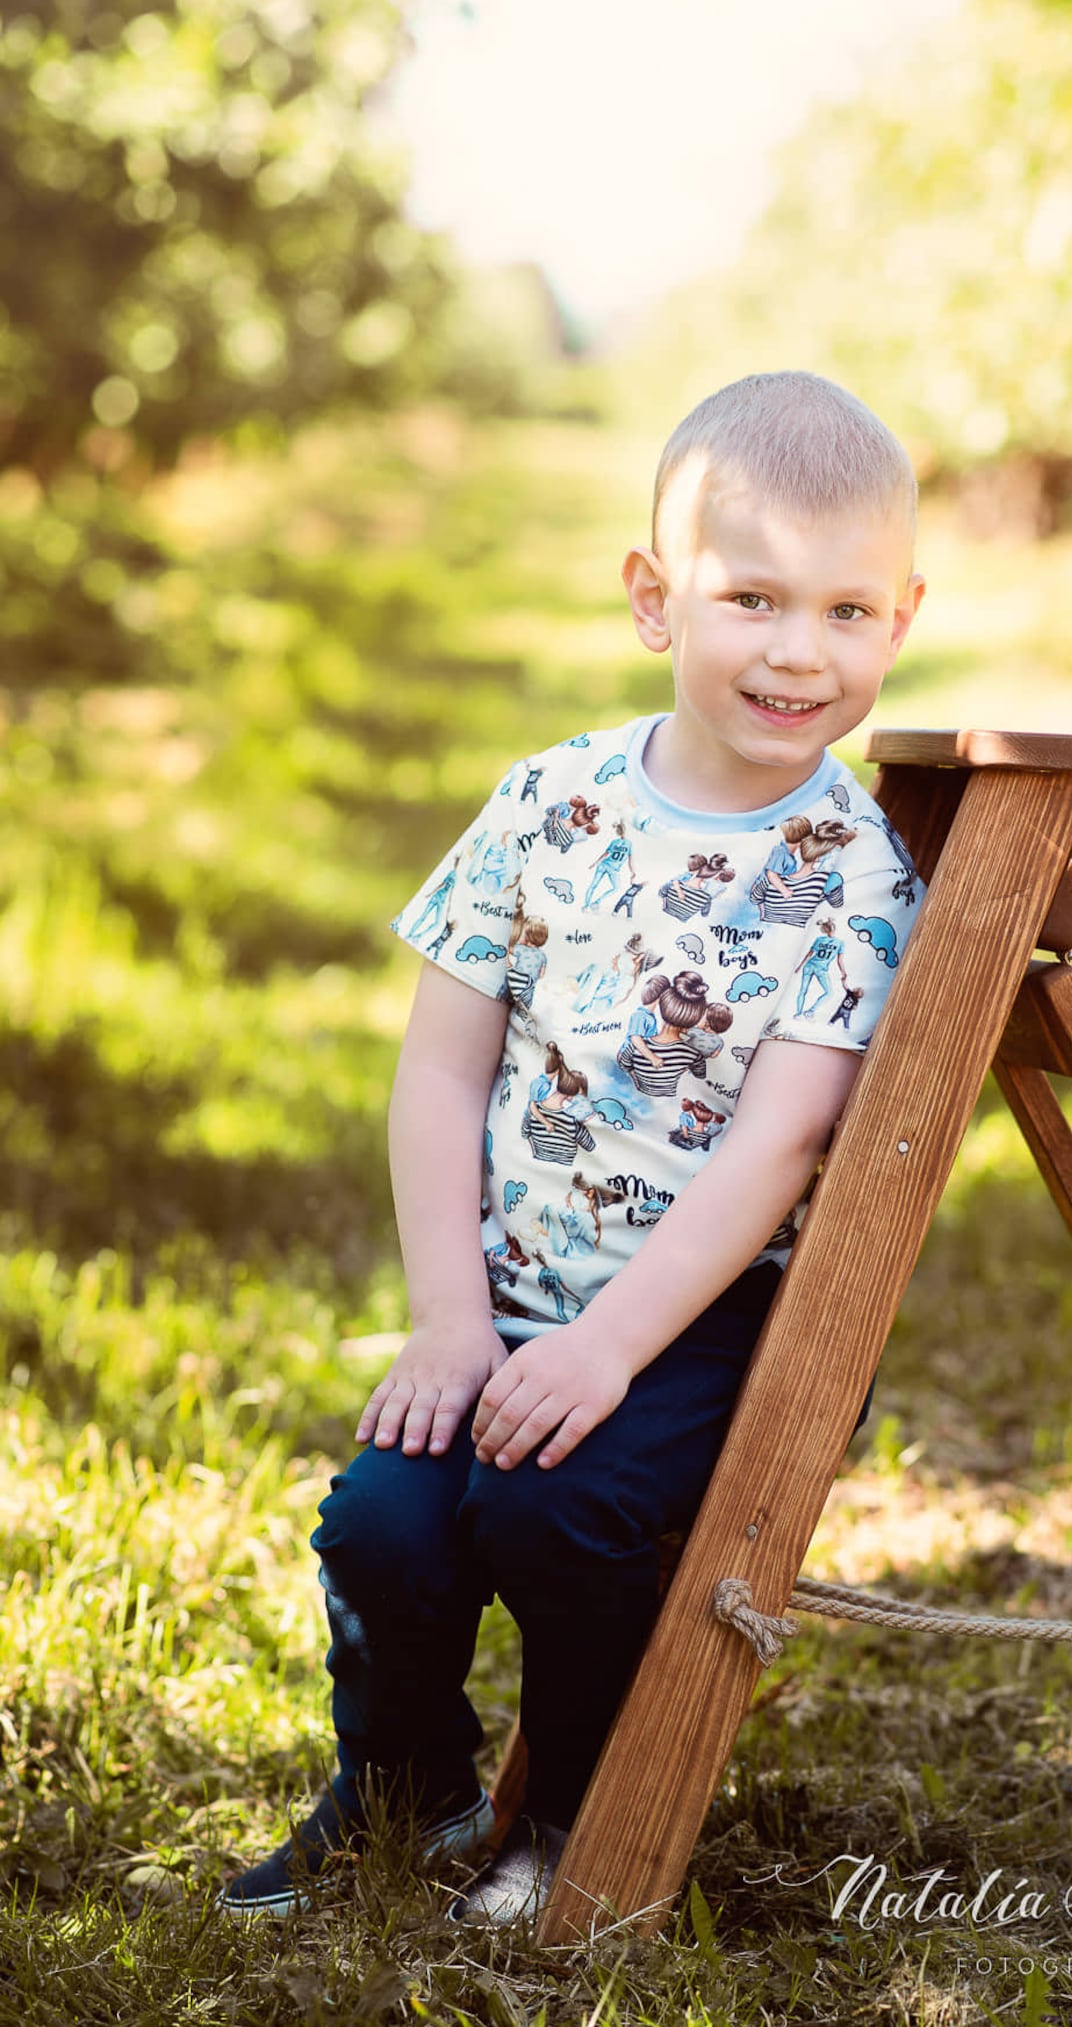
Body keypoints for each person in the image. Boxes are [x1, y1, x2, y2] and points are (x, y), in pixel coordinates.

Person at [219, 369, 927, 1924]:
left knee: (555, 1506)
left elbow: (787, 1139)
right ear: (653, 597)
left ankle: (573, 1812)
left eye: (848, 611)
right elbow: (438, 1071)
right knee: (389, 1521)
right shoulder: (548, 806)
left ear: (904, 615)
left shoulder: (856, 876)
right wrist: (453, 1319)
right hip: (513, 1284)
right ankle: (406, 1784)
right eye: (752, 598)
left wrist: (607, 1351)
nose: (800, 651)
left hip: (698, 1319)